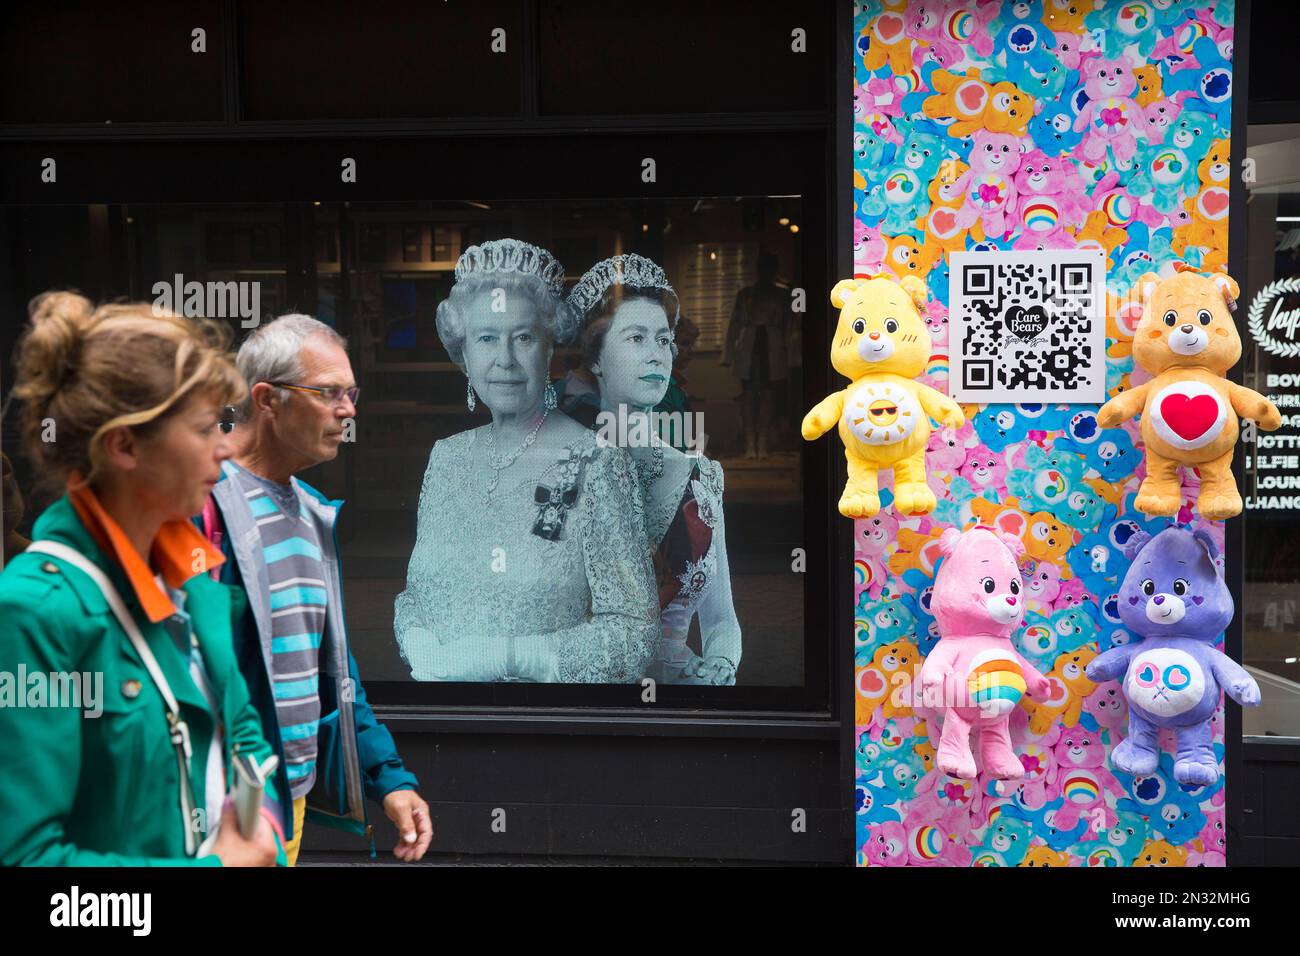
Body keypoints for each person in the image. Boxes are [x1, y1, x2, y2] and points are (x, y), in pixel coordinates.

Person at [0, 292, 280, 866]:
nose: (227, 449)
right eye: (206, 429)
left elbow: (246, 737)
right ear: (123, 445)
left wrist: (266, 834)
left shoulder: (196, 575)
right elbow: (27, 861)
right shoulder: (33, 610)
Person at [206, 313, 430, 864]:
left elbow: (333, 668)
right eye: (329, 392)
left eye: (351, 392)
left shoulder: (312, 510)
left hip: (291, 801)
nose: (348, 409)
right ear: (266, 399)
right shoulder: (203, 504)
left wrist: (387, 778)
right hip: (220, 810)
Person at [394, 239, 660, 684]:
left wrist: (509, 659)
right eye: (486, 339)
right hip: (440, 718)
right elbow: (415, 597)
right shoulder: (446, 457)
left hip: (535, 727)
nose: (505, 360)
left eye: (522, 338)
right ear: (463, 353)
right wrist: (418, 641)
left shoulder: (596, 463)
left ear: (549, 347)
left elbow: (634, 633)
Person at [558, 254, 743, 685]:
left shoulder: (699, 475)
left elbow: (722, 621)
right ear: (596, 359)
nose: (656, 355)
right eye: (636, 338)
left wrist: (721, 668)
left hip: (685, 700)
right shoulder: (561, 469)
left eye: (663, 340)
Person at [721, 251, 792, 458]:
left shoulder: (783, 294)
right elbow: (735, 323)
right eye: (763, 268)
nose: (766, 272)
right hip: (750, 344)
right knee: (749, 395)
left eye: (770, 268)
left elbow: (789, 324)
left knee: (768, 395)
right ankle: (750, 442)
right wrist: (728, 354)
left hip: (772, 344)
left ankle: (762, 442)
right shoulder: (746, 294)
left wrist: (790, 354)